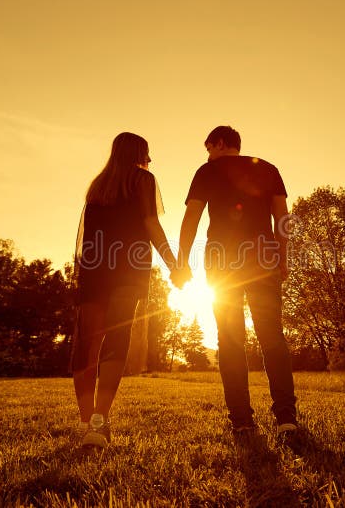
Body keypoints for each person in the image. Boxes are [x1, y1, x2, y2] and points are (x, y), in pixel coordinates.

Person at [177, 125, 297, 435]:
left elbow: (191, 216)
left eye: (209, 148)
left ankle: (242, 421)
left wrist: (182, 260)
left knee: (230, 339)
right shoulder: (268, 169)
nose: (209, 155)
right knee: (272, 337)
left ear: (219, 144)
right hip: (263, 258)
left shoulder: (207, 171)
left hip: (222, 260)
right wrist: (282, 257)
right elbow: (281, 218)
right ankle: (286, 418)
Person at [71, 132, 181, 448]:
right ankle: (99, 421)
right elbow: (151, 224)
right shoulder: (143, 180)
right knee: (117, 338)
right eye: (147, 153)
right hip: (129, 270)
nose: (150, 159)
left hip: (94, 270)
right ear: (138, 153)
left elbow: (87, 238)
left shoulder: (98, 186)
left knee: (87, 342)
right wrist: (173, 264)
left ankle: (85, 421)